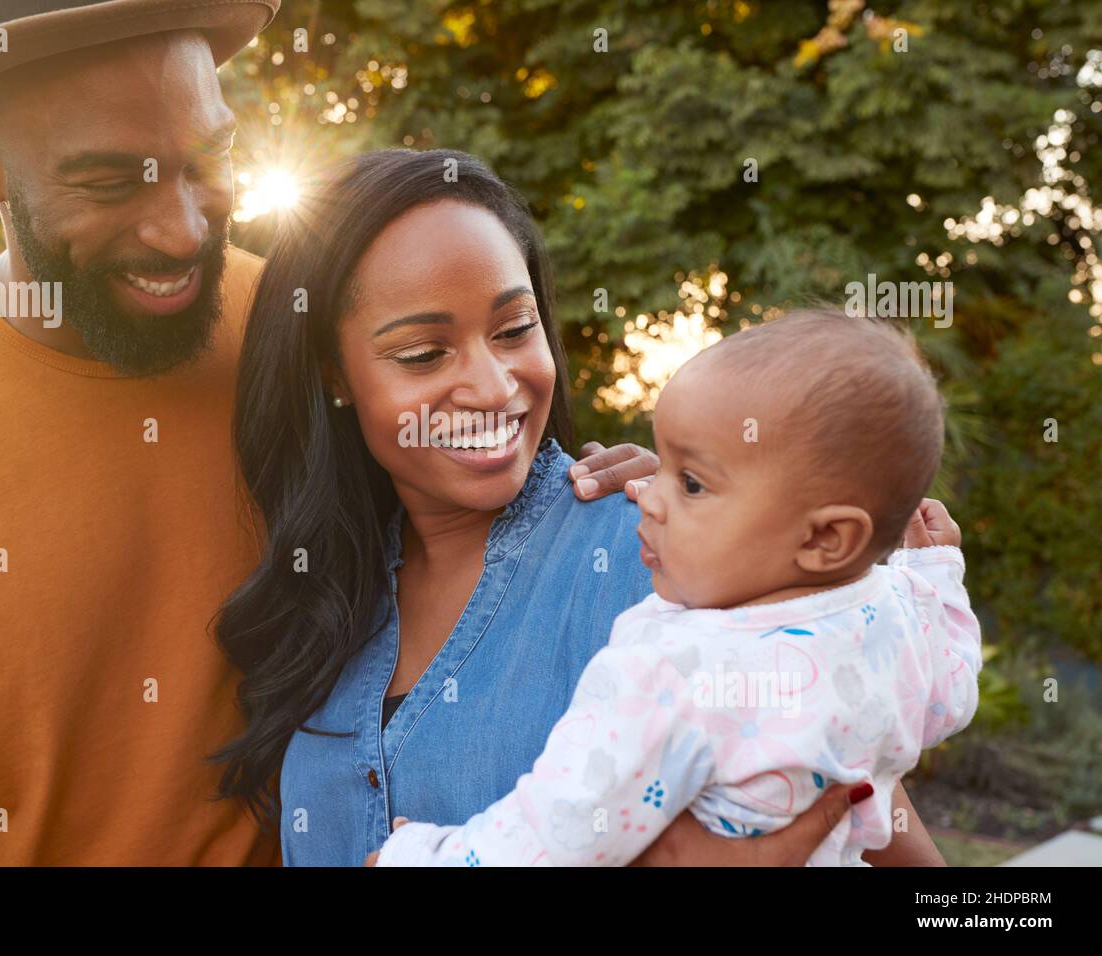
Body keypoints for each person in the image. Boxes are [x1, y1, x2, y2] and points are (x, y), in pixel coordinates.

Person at [0, 0, 650, 867]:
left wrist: (686, 509)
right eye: (108, 181)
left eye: (209, 161)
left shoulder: (311, 328)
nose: (183, 230)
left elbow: (481, 503)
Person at [214, 151, 945, 866]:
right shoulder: (322, 585)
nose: (495, 386)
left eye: (513, 329)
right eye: (423, 353)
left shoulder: (667, 569)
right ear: (333, 373)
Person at [375, 310, 982, 866]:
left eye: (691, 483)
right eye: (663, 464)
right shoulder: (893, 614)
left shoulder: (678, 668)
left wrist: (418, 856)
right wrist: (933, 573)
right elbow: (949, 696)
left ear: (827, 539)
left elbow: (559, 836)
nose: (648, 493)